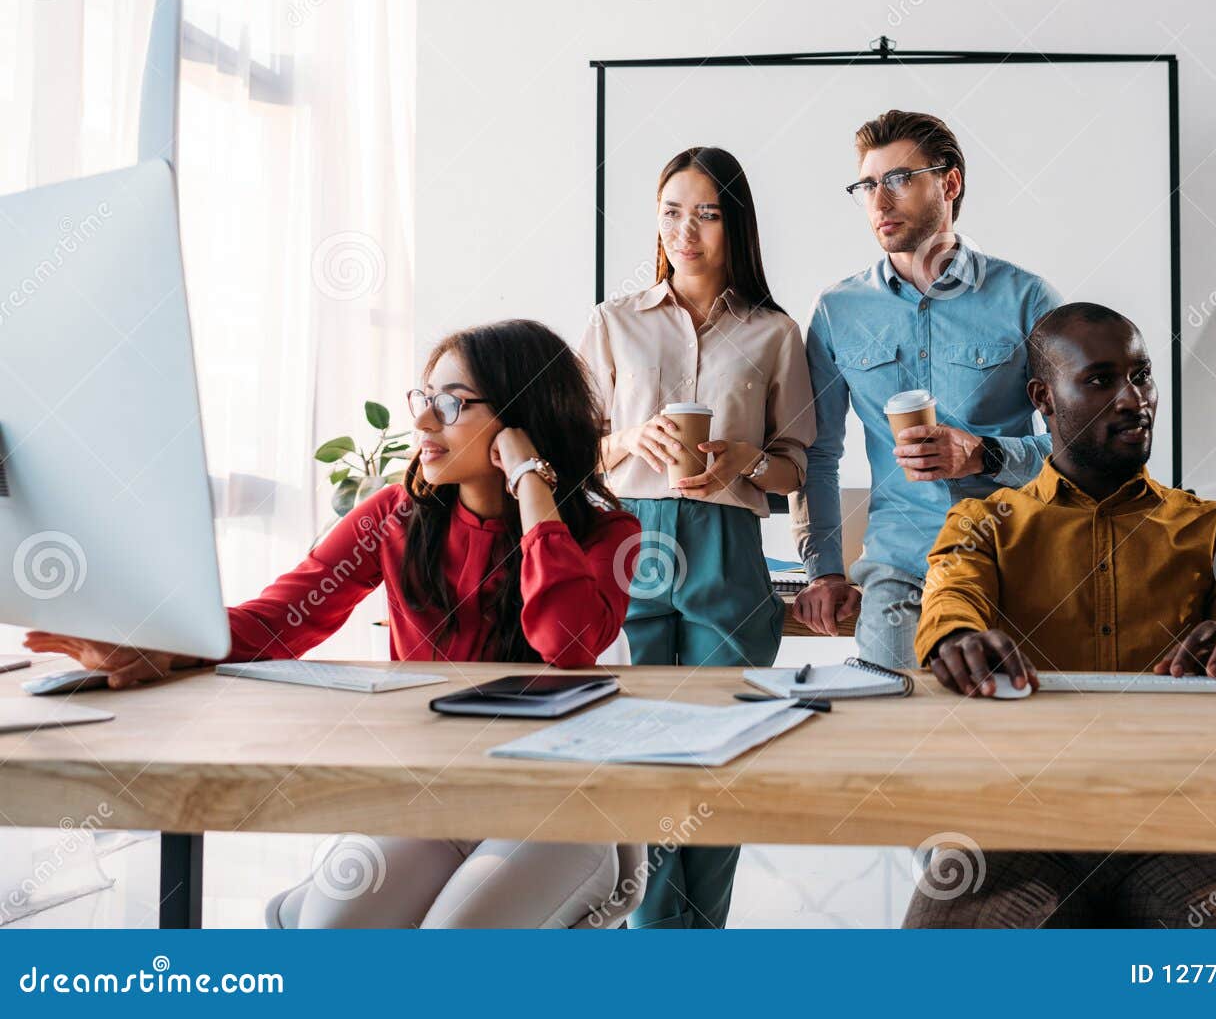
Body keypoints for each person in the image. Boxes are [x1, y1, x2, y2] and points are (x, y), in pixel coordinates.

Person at [24, 319, 644, 928]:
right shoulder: (395, 518)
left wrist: (530, 483)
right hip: (436, 795)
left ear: (521, 419)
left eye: (452, 404)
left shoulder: (608, 535)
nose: (424, 421)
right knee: (333, 938)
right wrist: (161, 646)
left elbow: (566, 644)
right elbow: (277, 622)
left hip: (561, 806)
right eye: (424, 399)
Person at [904, 302, 1216, 929]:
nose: (1134, 399)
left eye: (1142, 375)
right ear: (1044, 398)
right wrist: (959, 638)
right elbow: (949, 601)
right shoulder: (981, 525)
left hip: (1177, 828)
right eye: (1101, 380)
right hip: (1012, 829)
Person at [578, 145, 816, 929]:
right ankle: (647, 950)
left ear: (735, 225)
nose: (688, 230)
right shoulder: (615, 323)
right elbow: (575, 453)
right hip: (628, 544)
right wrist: (626, 443)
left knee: (719, 769)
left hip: (728, 549)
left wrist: (746, 461)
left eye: (708, 213)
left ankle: (698, 948)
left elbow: (793, 469)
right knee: (639, 762)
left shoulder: (775, 332)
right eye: (673, 211)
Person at [791, 109, 1062, 668]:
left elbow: (1079, 448)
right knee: (891, 728)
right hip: (900, 572)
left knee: (1021, 739)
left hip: (1013, 562)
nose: (879, 202)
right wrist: (824, 570)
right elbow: (818, 454)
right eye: (867, 185)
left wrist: (983, 454)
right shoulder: (838, 310)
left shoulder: (1026, 298)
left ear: (950, 182)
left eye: (898, 179)